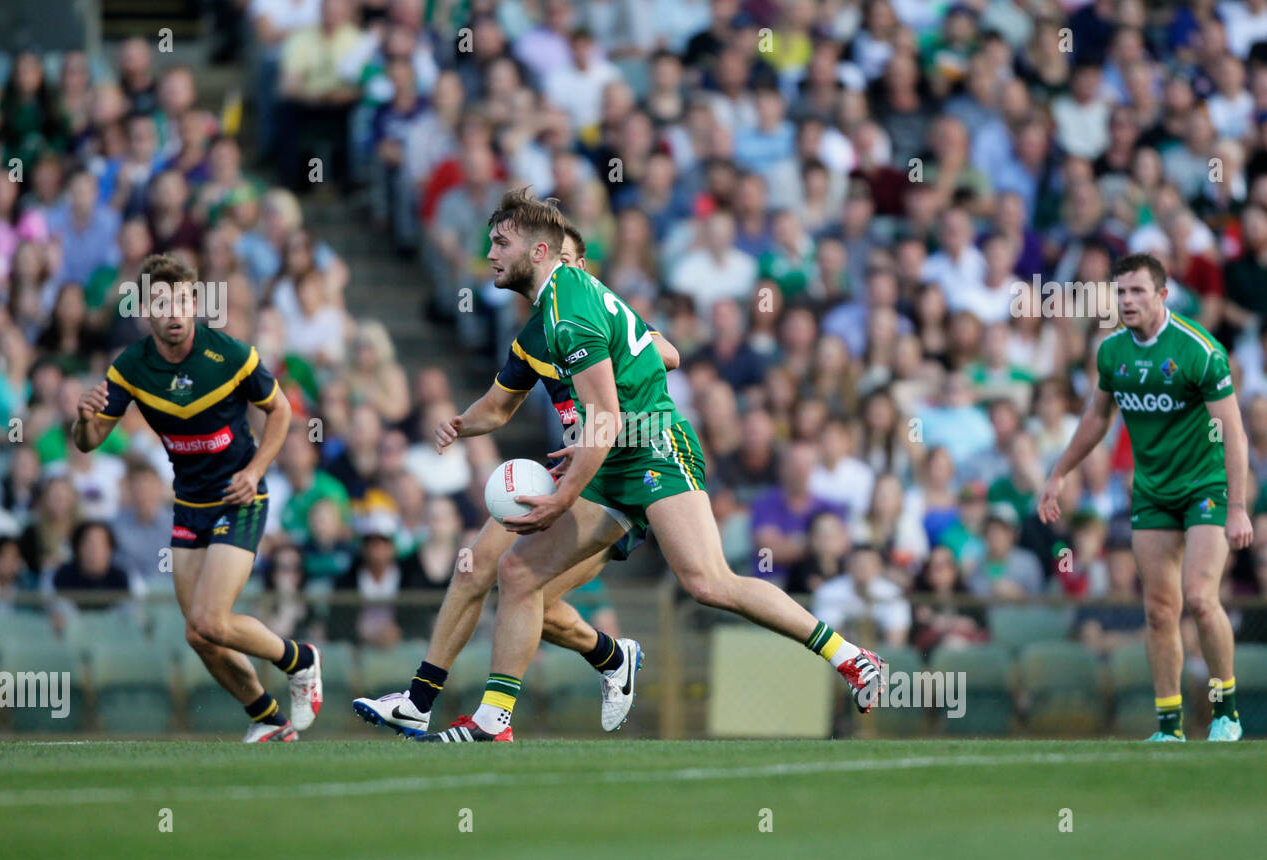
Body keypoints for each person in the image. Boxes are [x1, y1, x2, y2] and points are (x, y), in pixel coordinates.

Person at [413, 188, 884, 743]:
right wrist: (466, 424)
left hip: (653, 445)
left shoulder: (566, 313)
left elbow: (610, 416)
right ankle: (497, 719)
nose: (488, 253)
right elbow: (645, 359)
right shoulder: (558, 308)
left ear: (540, 251)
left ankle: (850, 655)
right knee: (519, 574)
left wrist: (563, 496)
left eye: (500, 242)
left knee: (707, 582)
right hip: (606, 460)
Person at [353, 223, 681, 736]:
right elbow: (498, 407)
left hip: (617, 480)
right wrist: (461, 423)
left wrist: (610, 358)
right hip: (567, 471)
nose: (565, 272)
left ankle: (590, 669)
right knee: (476, 568)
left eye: (574, 262)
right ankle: (417, 702)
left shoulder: (598, 312)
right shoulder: (534, 336)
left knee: (526, 594)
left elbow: (669, 354)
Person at [72, 253, 319, 743]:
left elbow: (282, 412)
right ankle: (268, 718)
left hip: (239, 498)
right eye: (161, 301)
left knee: (211, 618)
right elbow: (89, 441)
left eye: (182, 299)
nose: (173, 310)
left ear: (195, 303)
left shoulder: (229, 354)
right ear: (145, 309)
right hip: (190, 505)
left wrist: (255, 470)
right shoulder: (131, 366)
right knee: (198, 634)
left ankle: (301, 660)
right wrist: (82, 417)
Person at [1038, 253, 1252, 742]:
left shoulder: (1199, 349)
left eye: (1138, 291)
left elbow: (1233, 433)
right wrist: (1060, 472)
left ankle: (1225, 712)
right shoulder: (1112, 352)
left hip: (1206, 487)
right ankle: (1169, 727)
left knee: (1200, 598)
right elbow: (1097, 416)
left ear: (1162, 294)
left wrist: (1237, 507)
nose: (1127, 301)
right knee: (1158, 610)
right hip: (1152, 492)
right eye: (1120, 292)